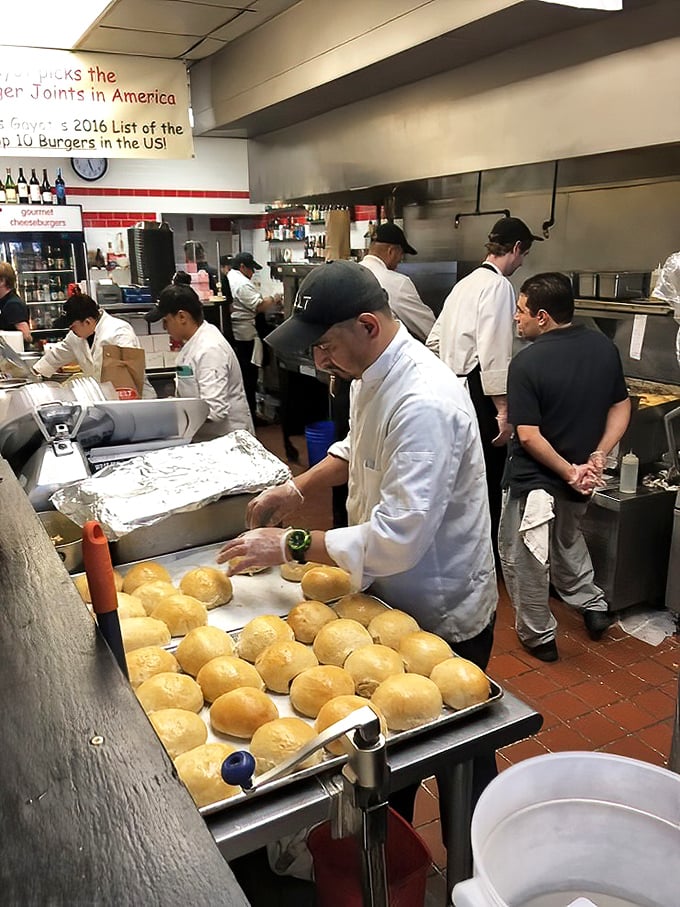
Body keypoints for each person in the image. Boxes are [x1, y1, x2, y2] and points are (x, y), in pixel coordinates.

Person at [215, 260, 497, 820]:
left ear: (368, 325)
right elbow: (357, 447)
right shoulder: (373, 374)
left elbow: (397, 539)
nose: (318, 360)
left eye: (324, 345)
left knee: (456, 759)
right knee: (393, 758)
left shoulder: (424, 402)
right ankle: (394, 852)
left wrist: (290, 544)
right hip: (389, 599)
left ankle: (478, 858)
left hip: (438, 606)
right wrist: (295, 488)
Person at [499, 272, 631, 662]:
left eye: (521, 311)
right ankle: (593, 606)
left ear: (542, 316)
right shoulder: (603, 347)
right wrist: (598, 456)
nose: (515, 318)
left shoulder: (526, 362)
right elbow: (621, 405)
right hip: (581, 476)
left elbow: (528, 435)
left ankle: (539, 637)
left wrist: (567, 470)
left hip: (537, 478)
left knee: (525, 556)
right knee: (568, 540)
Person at [427, 216, 543, 564]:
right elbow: (494, 354)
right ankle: (485, 558)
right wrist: (504, 412)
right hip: (479, 395)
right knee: (486, 478)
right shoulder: (498, 287)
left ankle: (455, 551)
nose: (522, 263)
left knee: (457, 477)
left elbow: (433, 340)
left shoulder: (465, 284)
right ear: (517, 248)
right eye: (524, 255)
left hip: (453, 389)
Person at [146, 279, 253, 440]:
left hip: (227, 441)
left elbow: (215, 411)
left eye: (166, 321)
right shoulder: (193, 343)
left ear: (182, 317)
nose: (164, 327)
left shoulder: (210, 350)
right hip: (207, 439)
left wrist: (172, 416)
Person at [32, 294, 155, 397]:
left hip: (134, 398)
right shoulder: (75, 337)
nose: (71, 330)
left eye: (73, 326)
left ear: (87, 322)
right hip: (103, 398)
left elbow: (132, 371)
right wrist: (33, 374)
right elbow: (57, 355)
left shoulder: (119, 331)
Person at [228, 252, 281, 419]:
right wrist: (275, 298)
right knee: (249, 378)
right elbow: (258, 306)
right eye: (251, 269)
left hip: (240, 334)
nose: (252, 273)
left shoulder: (232, 277)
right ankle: (250, 416)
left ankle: (251, 413)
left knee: (247, 379)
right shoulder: (242, 283)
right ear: (242, 267)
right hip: (245, 336)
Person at [360, 222, 435, 341]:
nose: (400, 260)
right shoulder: (397, 283)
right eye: (401, 254)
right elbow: (429, 330)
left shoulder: (351, 275)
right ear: (391, 251)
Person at [0, 262, 32, 344]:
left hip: (13, 353)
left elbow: (26, 336)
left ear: (2, 281)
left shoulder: (13, 304)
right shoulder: (5, 302)